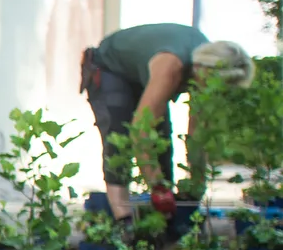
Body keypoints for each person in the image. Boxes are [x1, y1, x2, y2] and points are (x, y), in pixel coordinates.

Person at [81, 24, 255, 223]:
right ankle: (123, 221)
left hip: (143, 70)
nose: (218, 92)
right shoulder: (171, 66)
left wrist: (195, 186)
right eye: (218, 85)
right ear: (204, 70)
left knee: (161, 139)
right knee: (119, 137)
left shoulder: (206, 75)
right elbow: (140, 131)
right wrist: (158, 188)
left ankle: (163, 220)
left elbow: (197, 135)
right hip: (109, 66)